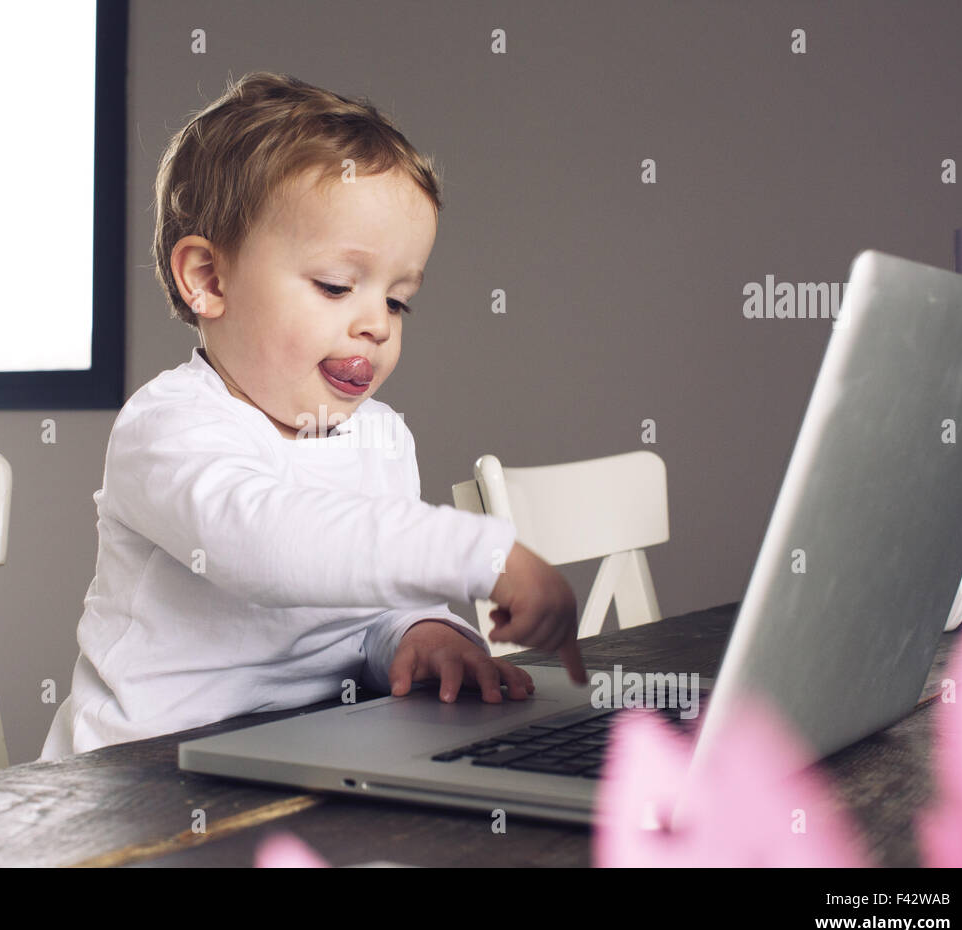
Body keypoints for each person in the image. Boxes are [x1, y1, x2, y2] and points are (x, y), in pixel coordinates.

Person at [40, 72, 581, 759]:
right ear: (208, 278)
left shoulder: (379, 437)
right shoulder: (168, 427)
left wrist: (421, 634)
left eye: (397, 300)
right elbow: (269, 545)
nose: (377, 326)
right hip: (137, 783)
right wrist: (477, 552)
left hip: (303, 759)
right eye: (336, 285)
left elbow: (367, 611)